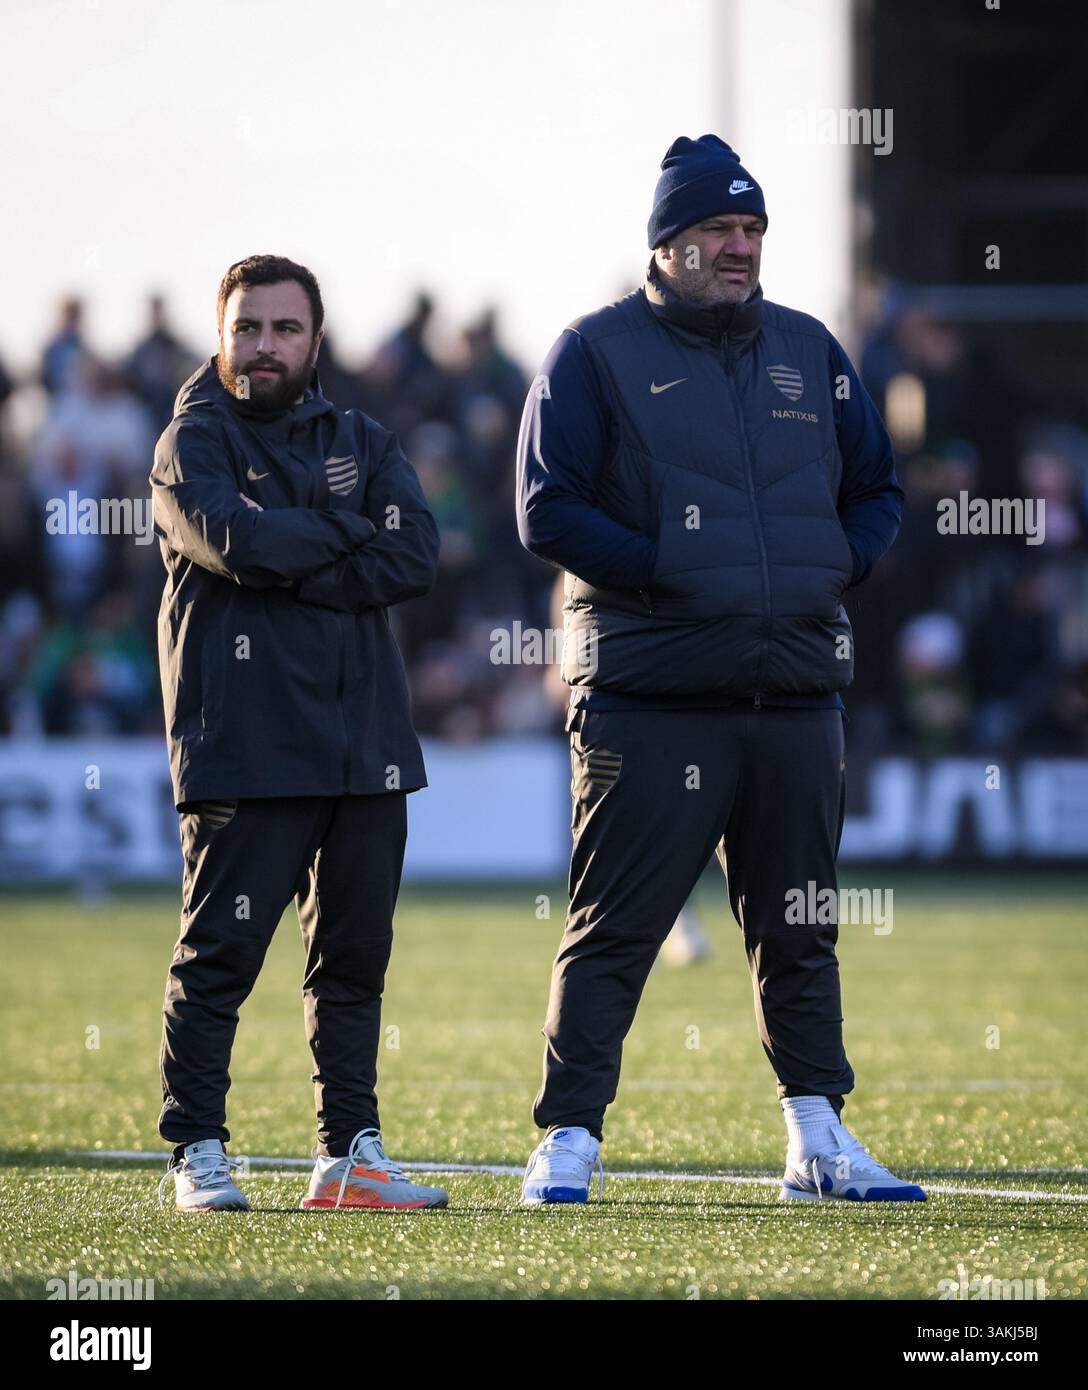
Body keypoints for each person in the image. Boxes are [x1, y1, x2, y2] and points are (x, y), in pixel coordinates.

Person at [515, 135, 922, 1204]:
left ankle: (817, 1136)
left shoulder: (810, 348)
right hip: (648, 699)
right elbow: (543, 505)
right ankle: (566, 1138)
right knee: (614, 930)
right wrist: (662, 569)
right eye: (719, 230)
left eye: (752, 229)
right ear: (669, 242)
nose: (741, 247)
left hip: (791, 690)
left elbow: (879, 488)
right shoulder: (590, 351)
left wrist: (840, 557)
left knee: (799, 927)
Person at [150, 254, 446, 1212]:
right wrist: (341, 531)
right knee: (220, 959)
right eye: (248, 328)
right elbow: (235, 541)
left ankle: (349, 1155)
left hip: (366, 744)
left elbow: (416, 553)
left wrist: (297, 542)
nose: (264, 346)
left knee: (354, 967)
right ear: (220, 334)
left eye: (284, 329)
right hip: (248, 744)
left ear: (316, 338)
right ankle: (196, 1148)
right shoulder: (190, 440)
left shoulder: (360, 433)